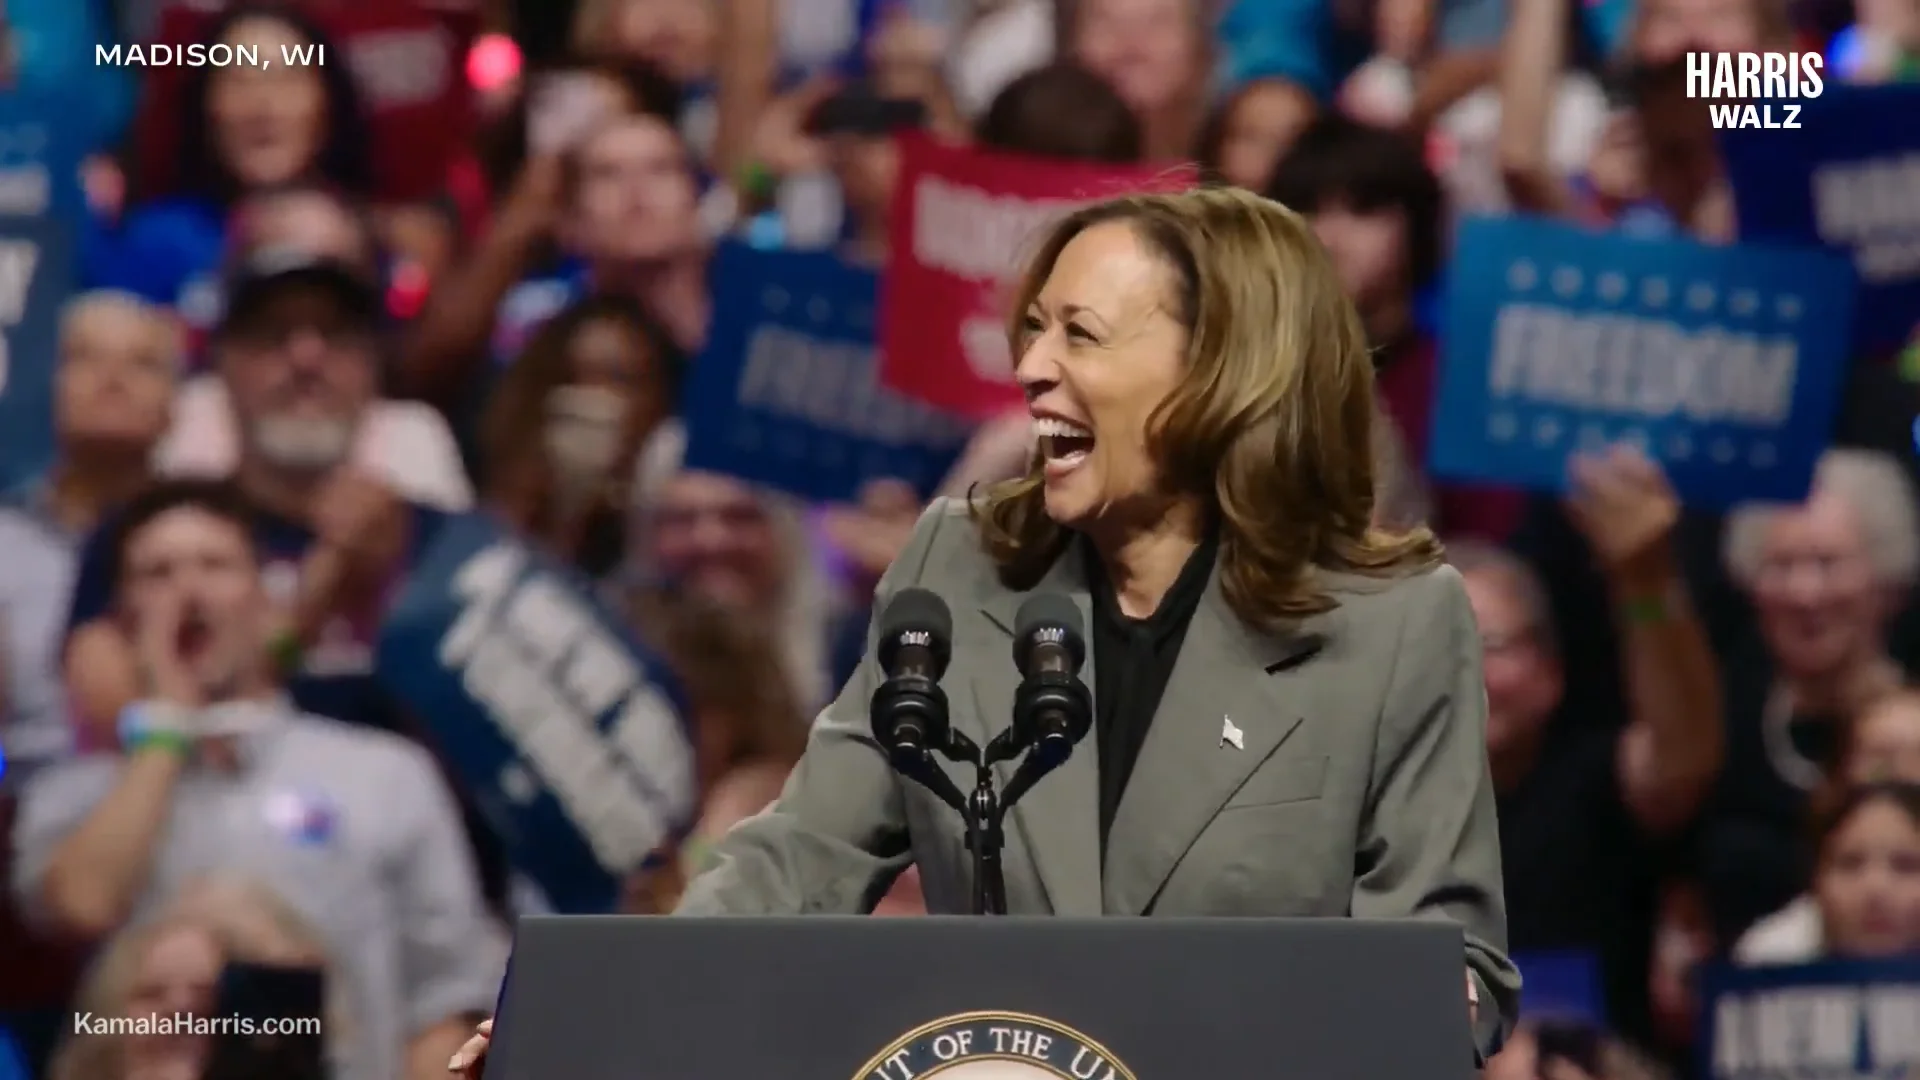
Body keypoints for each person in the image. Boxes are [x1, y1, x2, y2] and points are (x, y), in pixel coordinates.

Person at [450, 185, 1518, 1075]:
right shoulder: (962, 567)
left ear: (1220, 376)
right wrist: (606, 1018)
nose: (1031, 369)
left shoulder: (1392, 628)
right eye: (1036, 328)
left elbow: (1449, 974)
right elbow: (803, 851)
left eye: (1081, 335)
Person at [14, 480, 505, 1080]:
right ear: (123, 617)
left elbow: (444, 1002)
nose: (189, 590)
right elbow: (82, 905)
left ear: (266, 597)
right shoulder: (74, 793)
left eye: (214, 565)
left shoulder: (385, 774)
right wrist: (167, 724)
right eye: (157, 573)